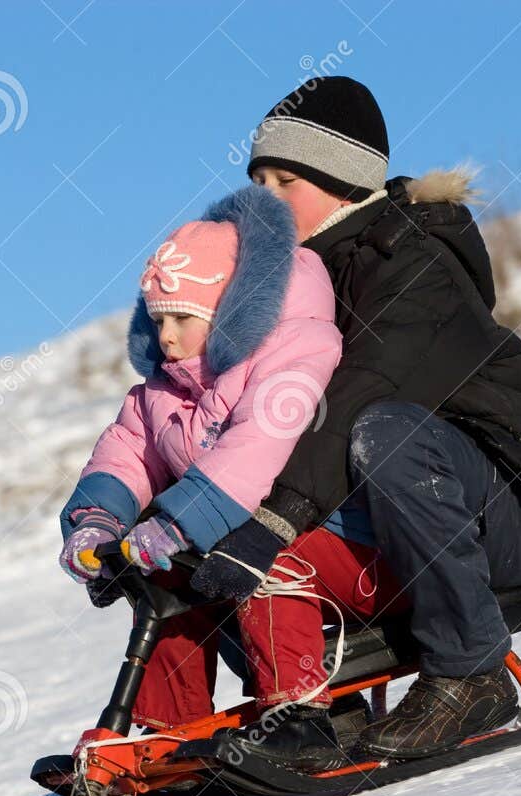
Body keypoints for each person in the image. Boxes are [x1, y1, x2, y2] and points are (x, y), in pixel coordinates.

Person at [190, 77, 521, 764]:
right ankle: (315, 706)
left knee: (382, 429)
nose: (266, 200)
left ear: (342, 180)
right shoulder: (288, 284)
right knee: (212, 532)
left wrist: (277, 515)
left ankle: (471, 672)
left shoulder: (414, 263)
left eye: (287, 180)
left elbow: (356, 397)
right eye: (258, 181)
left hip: (503, 504)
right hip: (392, 514)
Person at [58, 185, 342, 730]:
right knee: (155, 570)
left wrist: (179, 522)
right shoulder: (162, 393)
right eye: (157, 319)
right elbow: (126, 456)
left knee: (253, 549)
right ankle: (169, 735)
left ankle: (299, 717)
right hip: (244, 534)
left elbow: (257, 444)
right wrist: (97, 521)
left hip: (334, 539)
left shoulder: (293, 352)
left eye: (181, 319)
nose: (165, 337)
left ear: (227, 311)